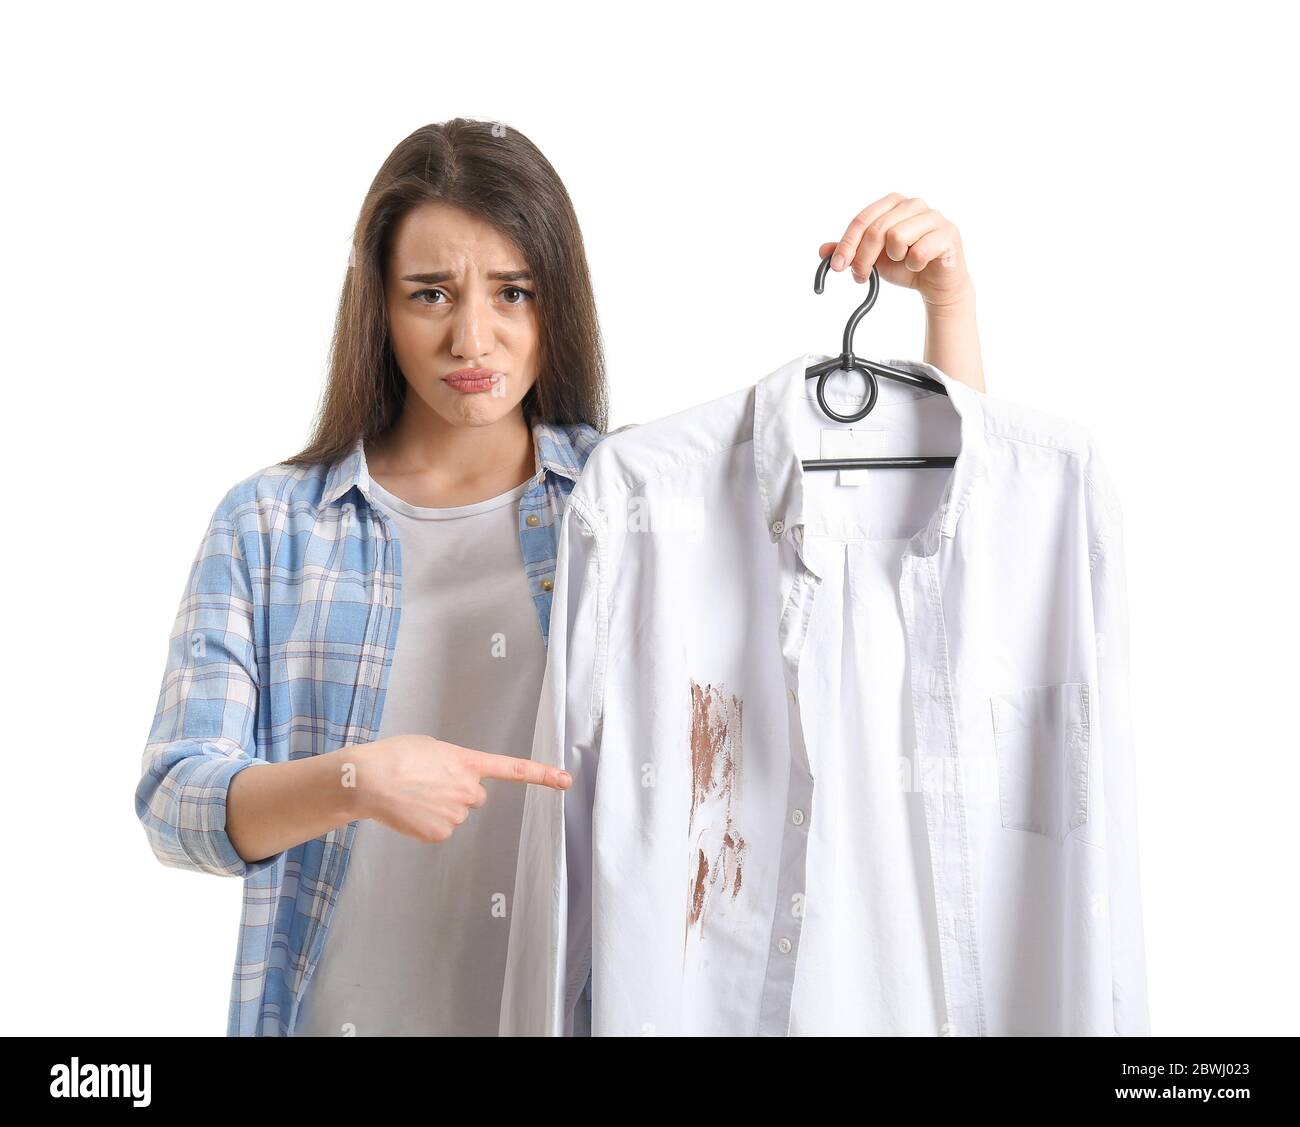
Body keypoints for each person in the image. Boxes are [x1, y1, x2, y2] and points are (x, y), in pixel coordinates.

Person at [134, 116, 986, 1036]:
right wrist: (354, 780)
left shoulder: (633, 505)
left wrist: (948, 305)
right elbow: (176, 802)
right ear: (378, 307)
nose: (474, 338)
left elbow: (908, 546)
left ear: (558, 303)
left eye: (512, 292)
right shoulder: (271, 526)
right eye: (430, 294)